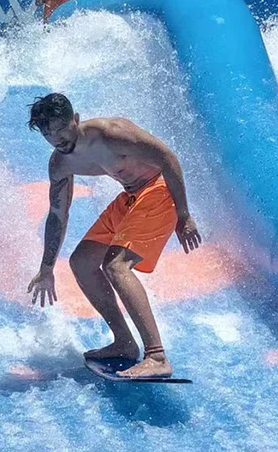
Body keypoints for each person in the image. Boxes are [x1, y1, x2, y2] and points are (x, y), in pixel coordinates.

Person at [26, 93, 201, 379]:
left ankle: (157, 356)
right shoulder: (60, 164)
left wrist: (184, 215)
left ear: (76, 119)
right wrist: (46, 268)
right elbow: (58, 214)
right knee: (81, 262)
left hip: (159, 190)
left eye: (61, 129)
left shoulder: (112, 134)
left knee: (116, 265)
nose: (57, 139)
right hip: (130, 197)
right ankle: (124, 343)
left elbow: (167, 158)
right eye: (48, 134)